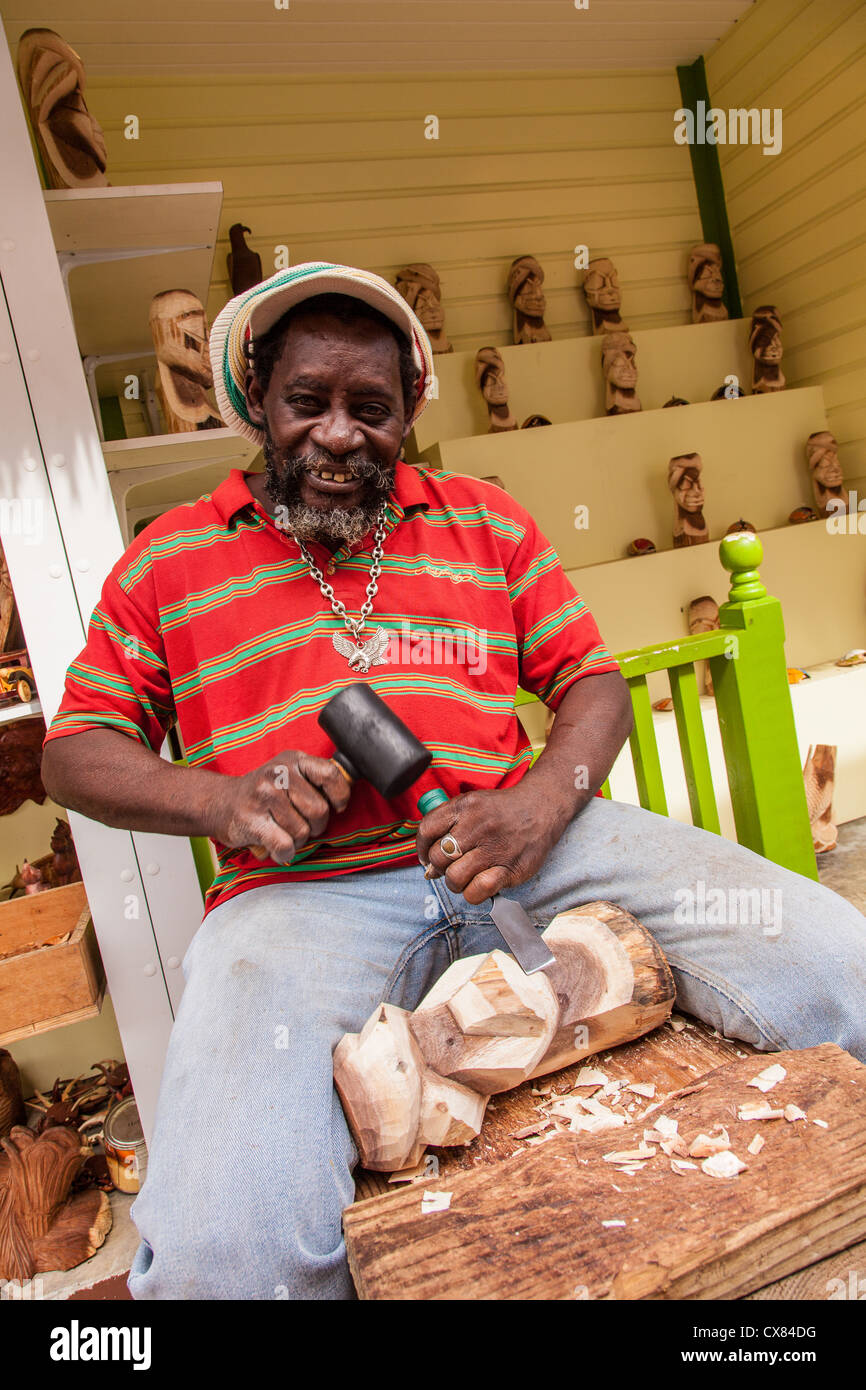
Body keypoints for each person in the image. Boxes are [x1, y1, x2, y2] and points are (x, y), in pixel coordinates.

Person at [41, 262, 866, 1300]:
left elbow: (592, 685)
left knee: (840, 966)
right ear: (256, 400)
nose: (338, 434)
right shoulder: (168, 560)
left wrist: (538, 804)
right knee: (227, 1255)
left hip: (536, 842)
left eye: (369, 409)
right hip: (300, 900)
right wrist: (224, 799)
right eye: (307, 403)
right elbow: (75, 749)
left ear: (408, 413)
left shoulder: (483, 519)